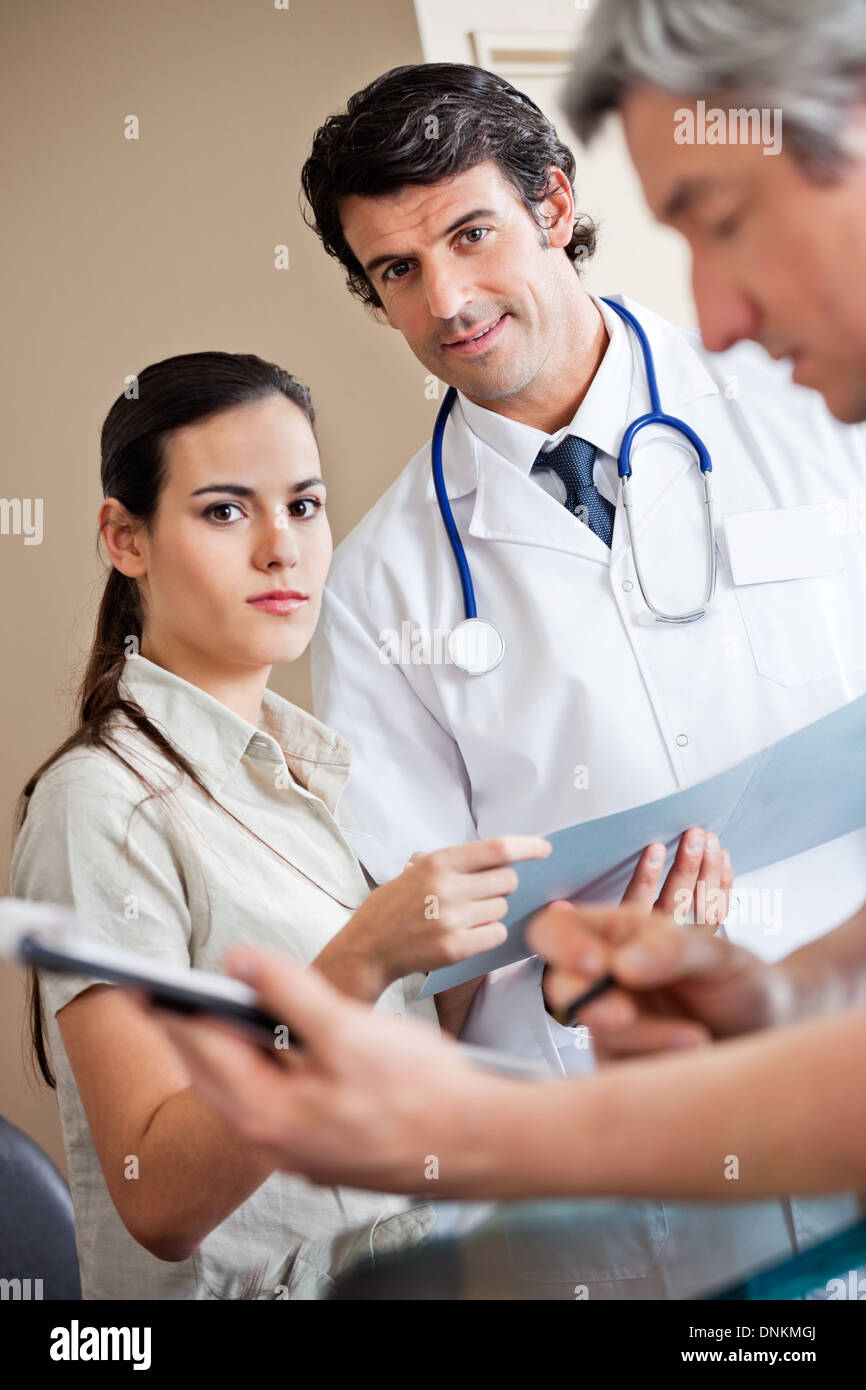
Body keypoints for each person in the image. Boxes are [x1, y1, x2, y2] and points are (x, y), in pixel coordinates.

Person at [141, 0, 866, 1234]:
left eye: (473, 234)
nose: (450, 301)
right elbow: (446, 973)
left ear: (556, 205)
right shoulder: (376, 586)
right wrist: (593, 977)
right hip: (620, 1160)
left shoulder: (802, 389)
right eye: (397, 271)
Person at [9, 349, 562, 1299]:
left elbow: (400, 1042)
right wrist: (359, 962)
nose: (283, 547)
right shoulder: (98, 804)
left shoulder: (326, 782)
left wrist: (549, 935)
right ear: (124, 537)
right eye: (226, 510)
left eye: (304, 506)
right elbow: (158, 1199)